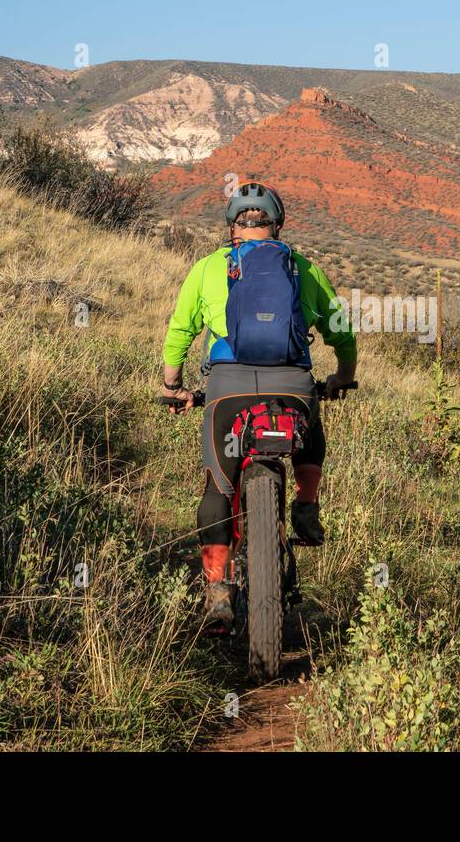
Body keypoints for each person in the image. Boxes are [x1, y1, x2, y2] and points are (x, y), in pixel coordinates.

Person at [159, 182, 357, 630]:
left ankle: (217, 591)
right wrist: (341, 378)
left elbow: (179, 333)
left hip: (228, 389)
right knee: (311, 424)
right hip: (292, 386)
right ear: (278, 225)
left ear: (233, 228)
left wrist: (174, 387)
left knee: (218, 489)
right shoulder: (303, 269)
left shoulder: (208, 268)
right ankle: (306, 508)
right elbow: (342, 332)